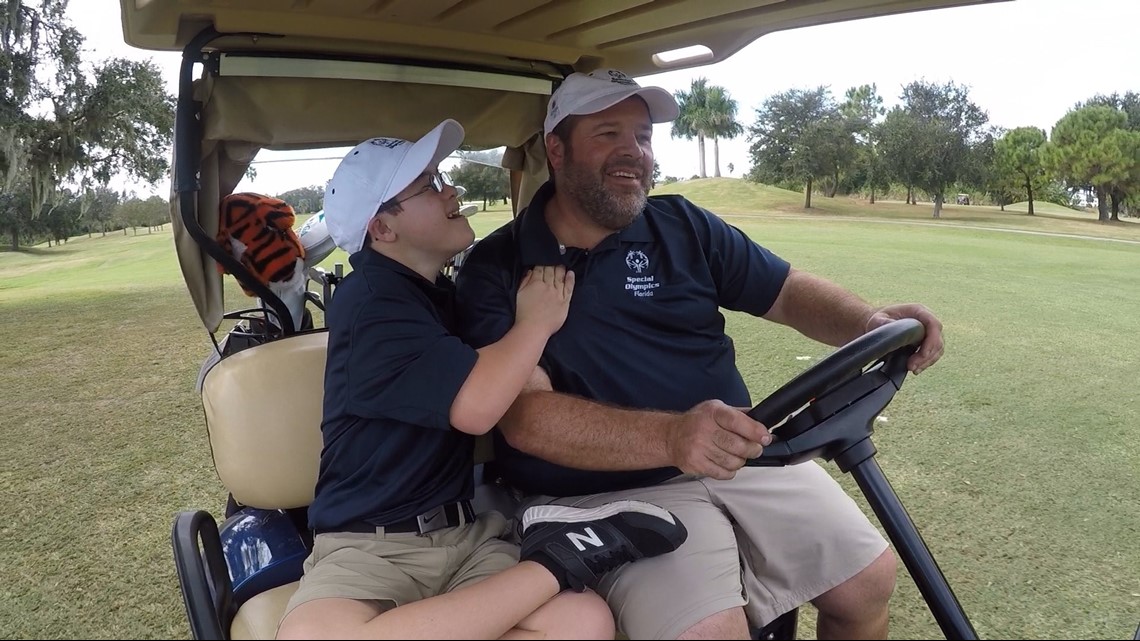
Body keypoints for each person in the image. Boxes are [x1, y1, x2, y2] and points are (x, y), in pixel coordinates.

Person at [454, 70, 946, 640]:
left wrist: (867, 321)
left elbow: (785, 291)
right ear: (556, 150)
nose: (631, 152)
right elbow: (526, 419)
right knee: (708, 632)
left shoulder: (682, 225)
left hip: (740, 455)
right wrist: (670, 438)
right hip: (601, 492)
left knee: (868, 578)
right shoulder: (497, 267)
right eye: (607, 133)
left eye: (641, 135)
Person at [275, 119, 689, 640]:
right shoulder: (371, 299)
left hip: (466, 536)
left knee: (582, 622)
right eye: (428, 185)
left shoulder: (437, 296)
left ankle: (562, 557)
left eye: (441, 176)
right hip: (370, 547)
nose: (451, 190)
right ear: (382, 228)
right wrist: (535, 322)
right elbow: (475, 406)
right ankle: (561, 559)